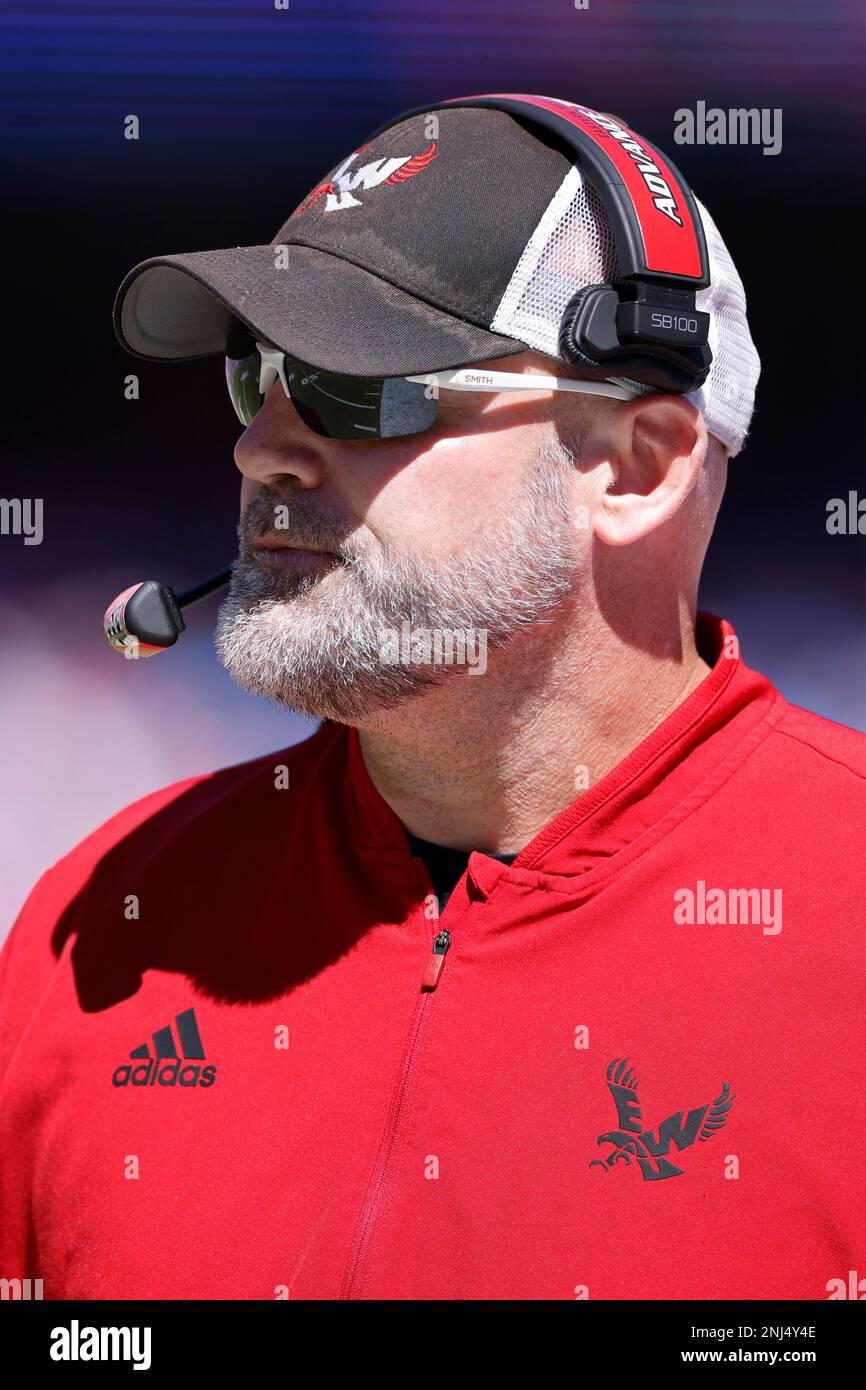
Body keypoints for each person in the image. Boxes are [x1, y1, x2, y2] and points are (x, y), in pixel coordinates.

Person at [1, 96, 863, 1302]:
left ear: (636, 464)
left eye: (366, 387)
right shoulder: (97, 917)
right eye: (261, 379)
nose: (265, 449)